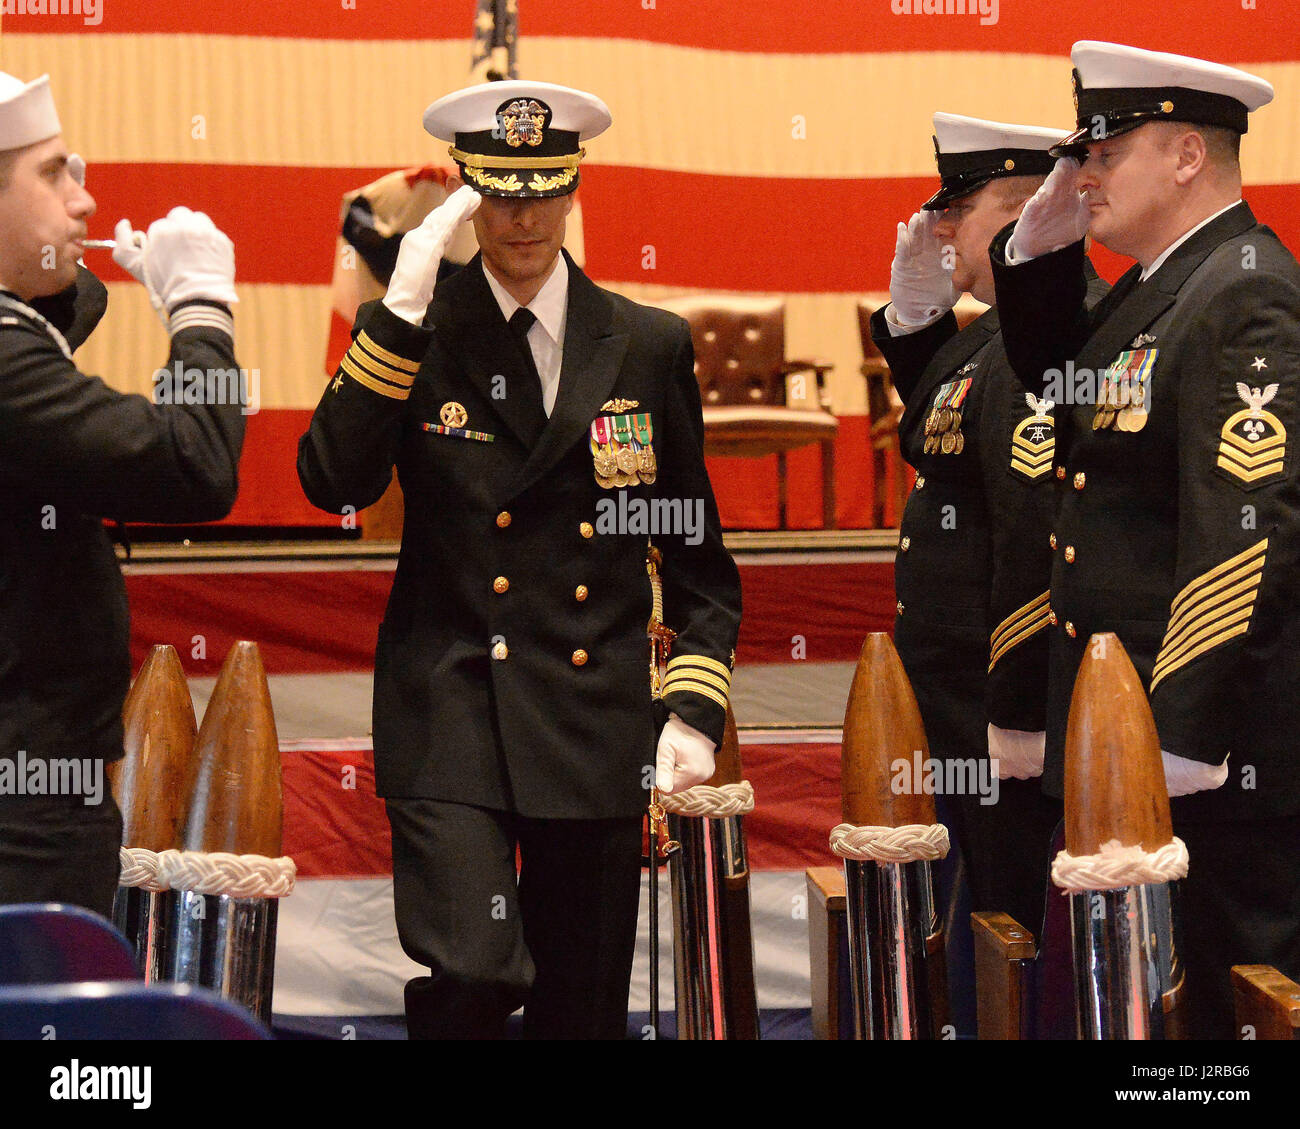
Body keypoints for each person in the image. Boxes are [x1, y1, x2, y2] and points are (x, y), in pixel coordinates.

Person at [297, 80, 742, 1040]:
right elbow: (332, 480)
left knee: (580, 1007)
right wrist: (398, 310)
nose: (526, 215)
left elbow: (699, 561)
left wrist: (694, 709)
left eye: (546, 188)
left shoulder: (646, 344)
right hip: (451, 705)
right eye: (502, 191)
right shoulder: (422, 332)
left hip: (591, 721)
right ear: (466, 192)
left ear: (576, 187)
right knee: (475, 968)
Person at [989, 41, 1300, 1037]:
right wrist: (1034, 258)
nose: (1083, 177)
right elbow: (1058, 381)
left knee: (1225, 1007)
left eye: (1104, 154)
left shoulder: (1245, 288)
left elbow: (1246, 532)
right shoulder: (1171, 281)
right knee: (1152, 1013)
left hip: (1216, 752)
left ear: (1185, 157)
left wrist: (1174, 734)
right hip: (1134, 734)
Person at [0, 72, 246, 917]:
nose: (86, 199)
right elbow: (197, 464)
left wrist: (57, 260)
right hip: (21, 810)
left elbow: (56, 313)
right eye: (56, 173)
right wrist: (202, 309)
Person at [871, 113, 1107, 950]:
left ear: (1011, 213)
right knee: (972, 926)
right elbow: (941, 437)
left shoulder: (1042, 340)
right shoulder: (1000, 335)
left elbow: (1031, 529)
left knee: (1008, 931)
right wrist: (916, 326)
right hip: (953, 692)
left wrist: (1018, 715)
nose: (936, 229)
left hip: (996, 697)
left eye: (953, 212)